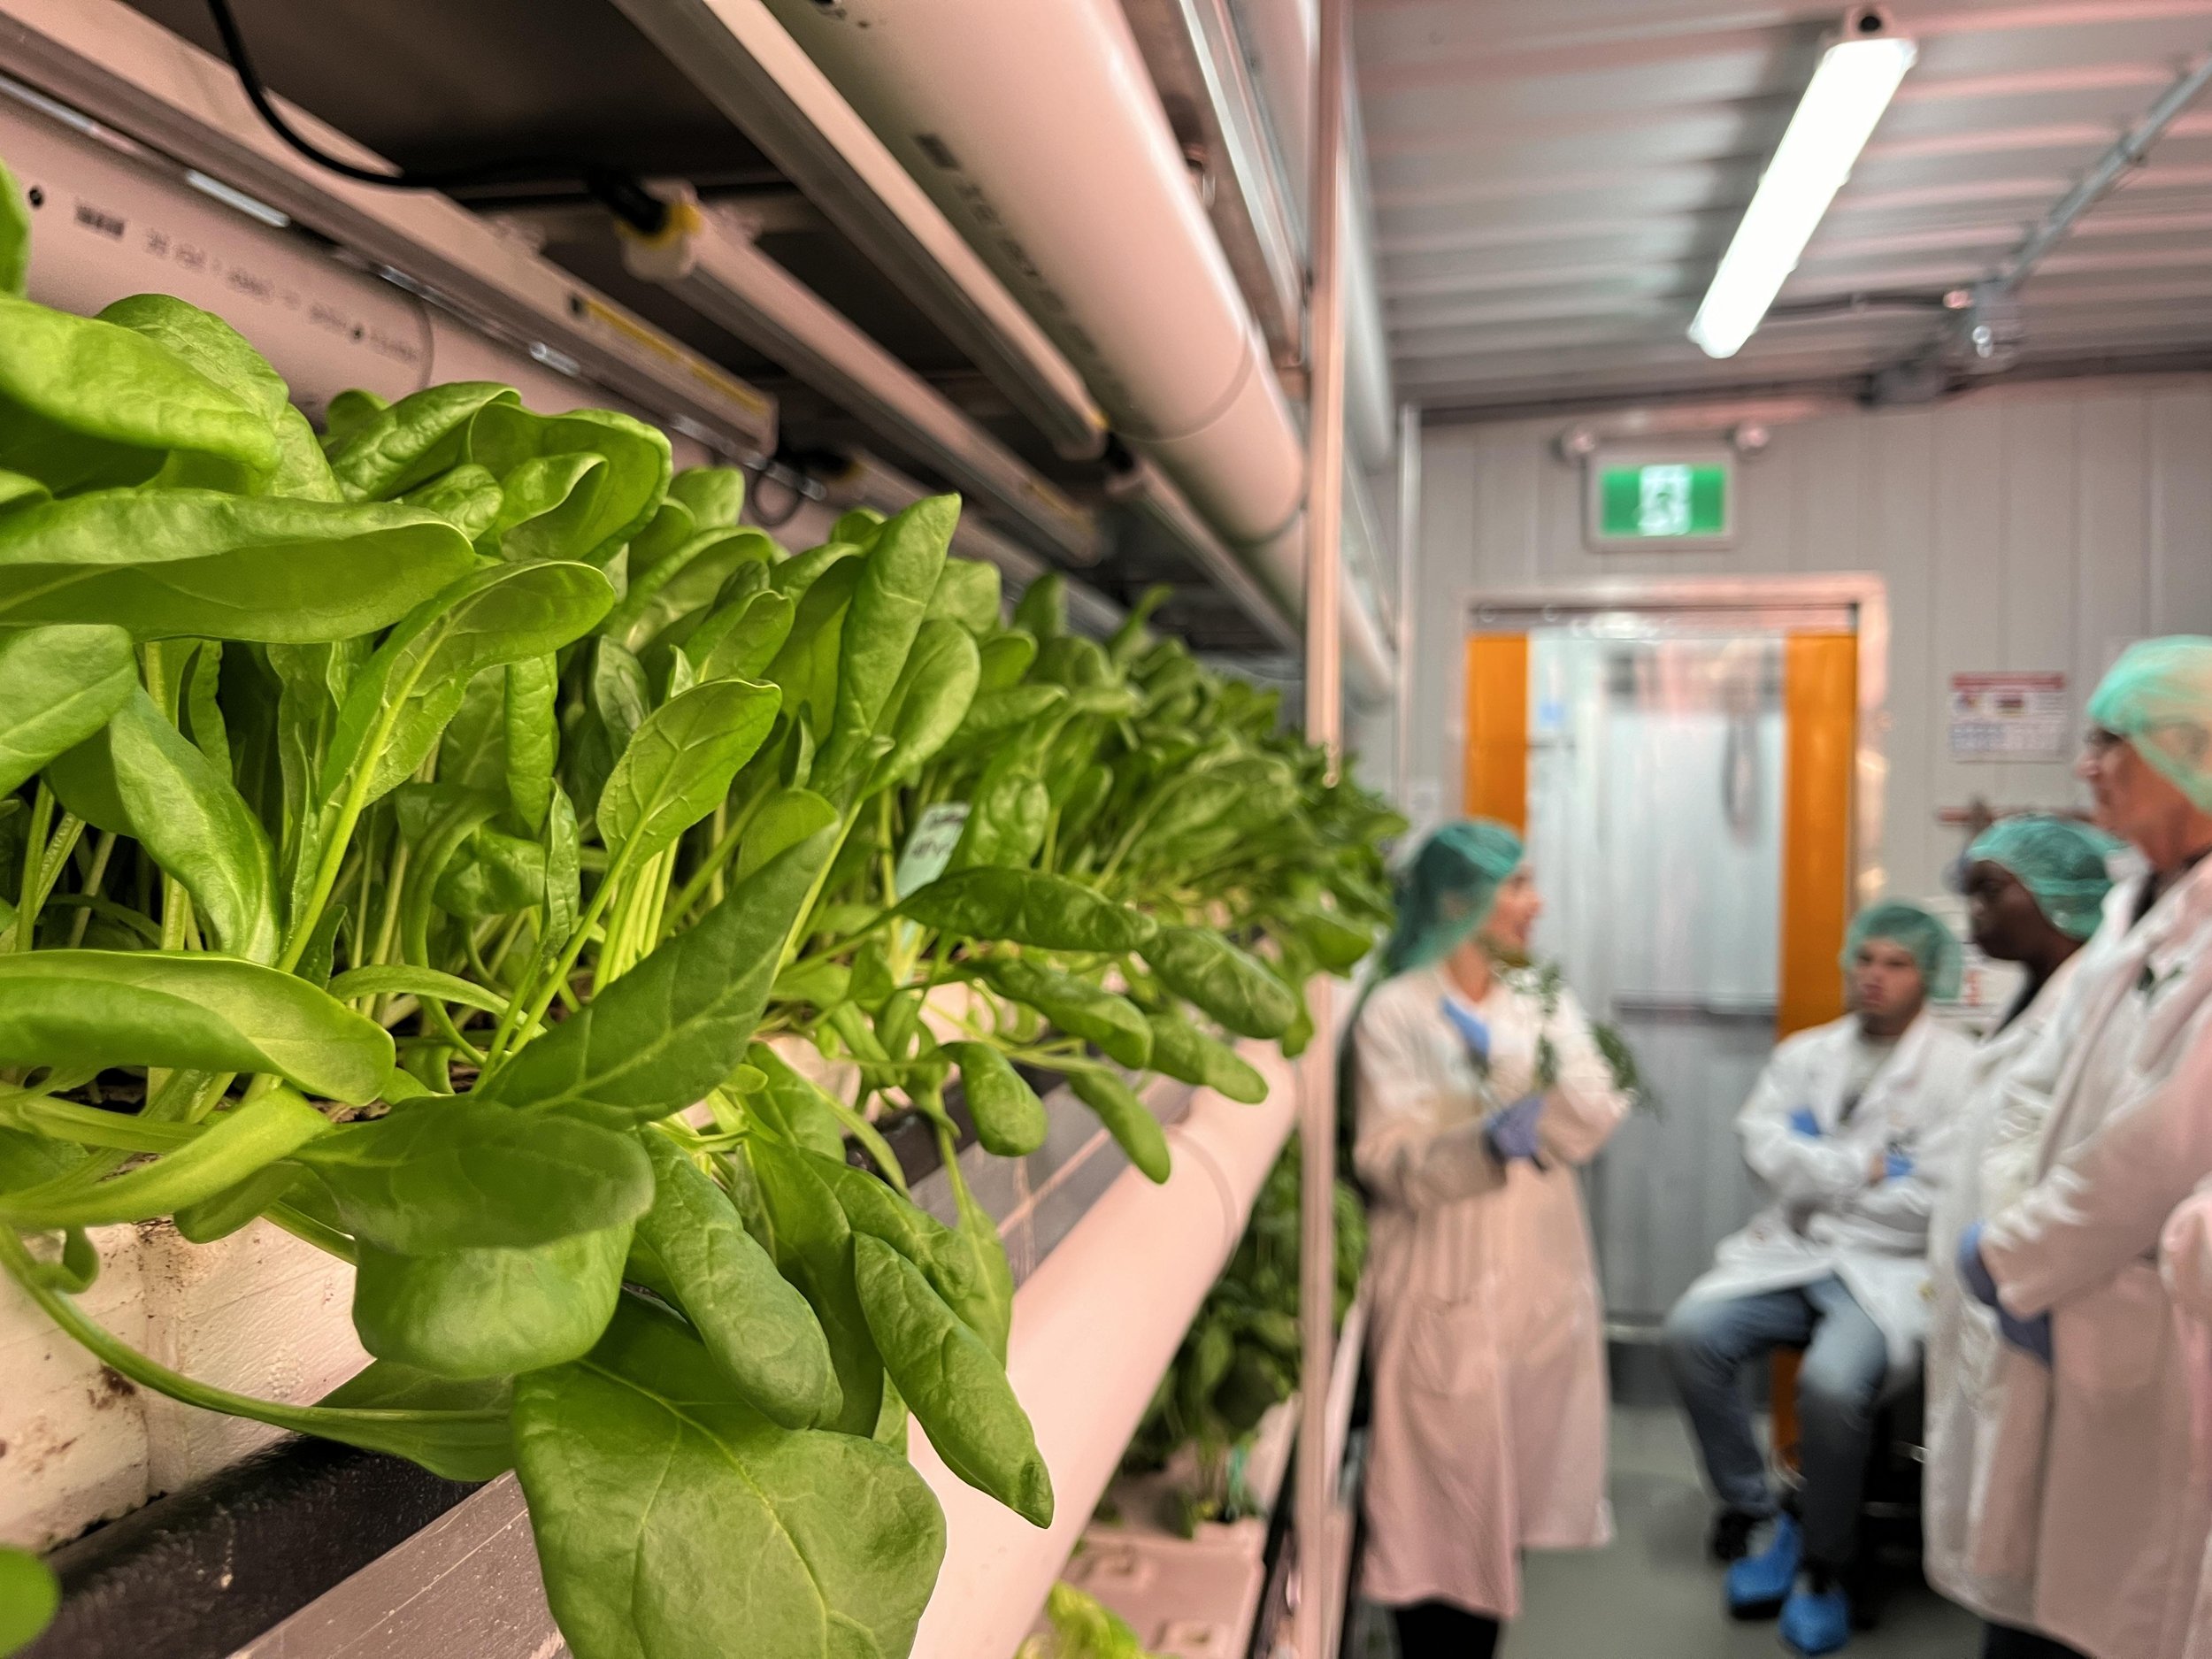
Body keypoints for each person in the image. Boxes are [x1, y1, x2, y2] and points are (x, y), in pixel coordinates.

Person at [1958, 637, 2212, 1659]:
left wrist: (2014, 1253)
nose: (2085, 764)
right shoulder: (2127, 911)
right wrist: (2013, 1230)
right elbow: (2027, 1086)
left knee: (2114, 1605)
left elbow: (2158, 1145)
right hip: (2062, 1288)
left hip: (2135, 1313)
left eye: (2111, 740)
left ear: (2191, 752)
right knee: (2032, 1600)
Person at [1662, 899, 1978, 1656]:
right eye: (1865, 958)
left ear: (1928, 973)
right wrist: (1860, 1168)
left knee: (1834, 1388)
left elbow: (1934, 1198)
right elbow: (1757, 1146)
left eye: (1896, 963)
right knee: (1689, 1336)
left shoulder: (1962, 1068)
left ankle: (1824, 1564)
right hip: (1792, 1250)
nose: (1874, 976)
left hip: (1889, 1270)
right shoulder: (1806, 1053)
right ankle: (1763, 1510)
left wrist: (1816, 1172)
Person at [1352, 819, 1631, 1659]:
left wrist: (1508, 1059)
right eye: (1516, 886)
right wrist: (1480, 1144)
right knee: (1439, 1520)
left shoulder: (1540, 998)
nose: (1534, 905)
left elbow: (1596, 1106)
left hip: (1535, 1279)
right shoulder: (1394, 1011)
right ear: (1454, 899)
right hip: (1441, 1278)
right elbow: (1388, 1159)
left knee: (1498, 1508)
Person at [1920, 817, 2119, 1655]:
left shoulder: (2094, 1008)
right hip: (1999, 1300)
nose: (1973, 911)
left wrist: (2017, 1269)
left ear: (2061, 902)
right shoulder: (2034, 997)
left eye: (1991, 890)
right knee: (2009, 1542)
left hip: (2049, 1310)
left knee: (2047, 1556)